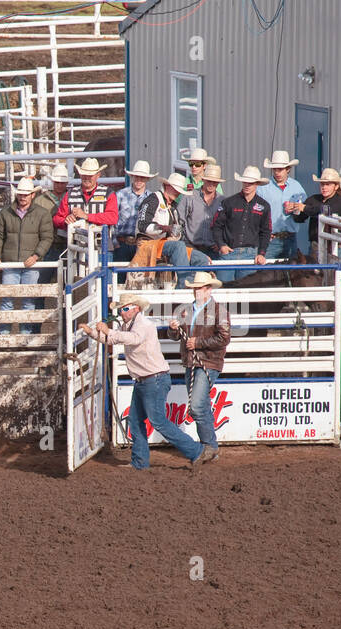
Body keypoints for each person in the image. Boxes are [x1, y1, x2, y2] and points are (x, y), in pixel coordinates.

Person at [79, 295, 209, 469]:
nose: (122, 312)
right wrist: (92, 333)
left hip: (153, 378)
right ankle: (140, 462)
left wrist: (108, 331)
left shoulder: (144, 325)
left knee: (157, 421)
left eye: (125, 309)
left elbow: (132, 339)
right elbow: (115, 339)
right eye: (121, 309)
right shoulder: (129, 326)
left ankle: (195, 450)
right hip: (146, 379)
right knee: (136, 420)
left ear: (136, 309)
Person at [167, 271, 229, 462]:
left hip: (207, 362)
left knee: (196, 406)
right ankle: (210, 447)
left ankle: (208, 446)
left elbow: (224, 338)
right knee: (201, 405)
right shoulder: (186, 310)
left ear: (209, 290)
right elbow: (176, 337)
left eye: (200, 288)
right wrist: (173, 329)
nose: (196, 292)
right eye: (195, 288)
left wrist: (198, 343)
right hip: (192, 362)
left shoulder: (219, 311)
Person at [0, 177, 53, 334]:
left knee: (28, 300)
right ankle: (4, 335)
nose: (23, 197)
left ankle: (24, 335)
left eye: (26, 194)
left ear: (32, 195)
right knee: (8, 298)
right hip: (11, 262)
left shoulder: (42, 214)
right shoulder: (5, 213)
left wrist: (36, 256)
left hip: (30, 264)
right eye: (20, 194)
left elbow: (47, 238)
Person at [135, 172, 211, 285]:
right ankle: (185, 284)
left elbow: (177, 230)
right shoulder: (153, 199)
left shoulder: (174, 207)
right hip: (148, 244)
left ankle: (193, 285)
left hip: (166, 245)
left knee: (201, 258)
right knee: (179, 246)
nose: (177, 193)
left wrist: (174, 235)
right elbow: (142, 226)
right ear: (167, 186)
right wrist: (165, 229)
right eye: (175, 189)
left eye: (179, 190)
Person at [212, 166, 272, 283]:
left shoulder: (264, 206)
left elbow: (266, 232)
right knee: (223, 289)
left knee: (246, 292)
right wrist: (221, 245)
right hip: (228, 252)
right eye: (245, 182)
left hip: (250, 254)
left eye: (251, 183)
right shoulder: (228, 202)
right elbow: (216, 226)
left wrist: (261, 253)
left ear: (257, 184)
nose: (247, 185)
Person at [53, 157, 119, 249]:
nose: (87, 178)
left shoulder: (108, 193)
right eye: (84, 175)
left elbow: (113, 217)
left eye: (90, 175)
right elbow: (57, 219)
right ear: (80, 175)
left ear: (98, 175)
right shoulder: (70, 194)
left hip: (101, 247)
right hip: (76, 247)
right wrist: (66, 220)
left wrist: (87, 216)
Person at [289, 167, 341, 264]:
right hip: (316, 245)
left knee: (334, 275)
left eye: (328, 184)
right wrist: (294, 209)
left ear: (336, 186)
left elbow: (326, 210)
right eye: (322, 184)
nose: (324, 187)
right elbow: (300, 218)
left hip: (335, 246)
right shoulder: (313, 199)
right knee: (317, 275)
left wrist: (304, 208)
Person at [257, 150, 308, 261]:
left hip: (290, 237)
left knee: (291, 273)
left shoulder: (296, 186)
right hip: (270, 239)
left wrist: (297, 207)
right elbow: (255, 213)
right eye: (275, 169)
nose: (277, 173)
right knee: (266, 273)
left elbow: (304, 210)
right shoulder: (262, 187)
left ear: (288, 169)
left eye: (280, 169)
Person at [177, 162, 225, 261]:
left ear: (218, 183)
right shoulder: (189, 197)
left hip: (213, 250)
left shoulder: (223, 202)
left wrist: (221, 243)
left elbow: (227, 226)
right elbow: (178, 221)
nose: (211, 184)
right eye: (209, 181)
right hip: (192, 248)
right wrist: (185, 244)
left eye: (214, 182)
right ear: (203, 180)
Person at [114, 160, 156, 262]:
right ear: (132, 177)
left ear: (147, 179)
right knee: (120, 276)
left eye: (142, 177)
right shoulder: (120, 195)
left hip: (142, 245)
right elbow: (113, 220)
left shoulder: (152, 198)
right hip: (122, 243)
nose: (139, 180)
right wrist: (115, 243)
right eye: (137, 176)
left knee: (139, 276)